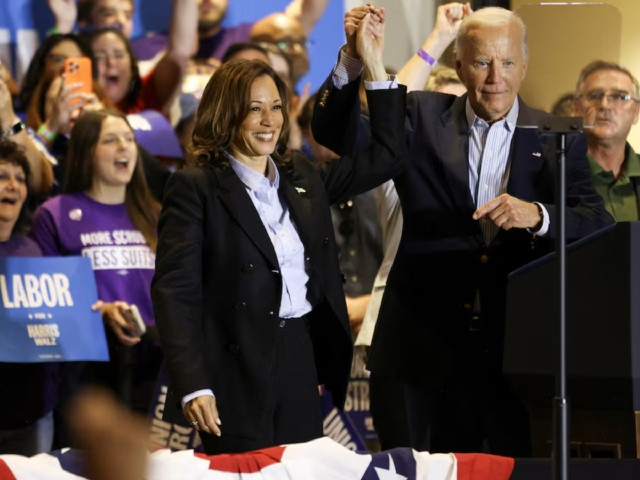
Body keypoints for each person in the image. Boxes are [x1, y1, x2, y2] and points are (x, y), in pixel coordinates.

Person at [312, 5, 613, 456]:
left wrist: (539, 214)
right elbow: (341, 136)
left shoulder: (557, 137)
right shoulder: (419, 116)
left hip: (513, 359)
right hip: (420, 354)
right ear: (459, 64)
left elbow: (598, 221)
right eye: (482, 61)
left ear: (525, 66)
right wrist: (355, 61)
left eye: (508, 62)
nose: (496, 76)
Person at [151, 18, 406, 453]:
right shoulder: (195, 187)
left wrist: (363, 63)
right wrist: (194, 385)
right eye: (254, 109)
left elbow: (387, 155)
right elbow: (175, 293)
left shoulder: (302, 174)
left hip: (299, 358)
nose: (269, 121)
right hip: (235, 372)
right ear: (227, 113)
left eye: (276, 106)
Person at [30, 110, 162, 442]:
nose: (124, 147)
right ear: (87, 150)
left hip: (151, 367)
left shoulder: (158, 215)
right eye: (110, 140)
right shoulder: (55, 214)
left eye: (129, 139)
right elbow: (46, 300)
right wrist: (101, 312)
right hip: (86, 372)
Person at [0, 140, 59, 456]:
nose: (12, 186)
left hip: (32, 412)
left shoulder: (34, 249)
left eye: (20, 179)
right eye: (2, 176)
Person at [572, 60, 640, 221]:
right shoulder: (552, 172)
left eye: (619, 97)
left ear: (636, 112)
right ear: (576, 108)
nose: (604, 105)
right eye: (595, 95)